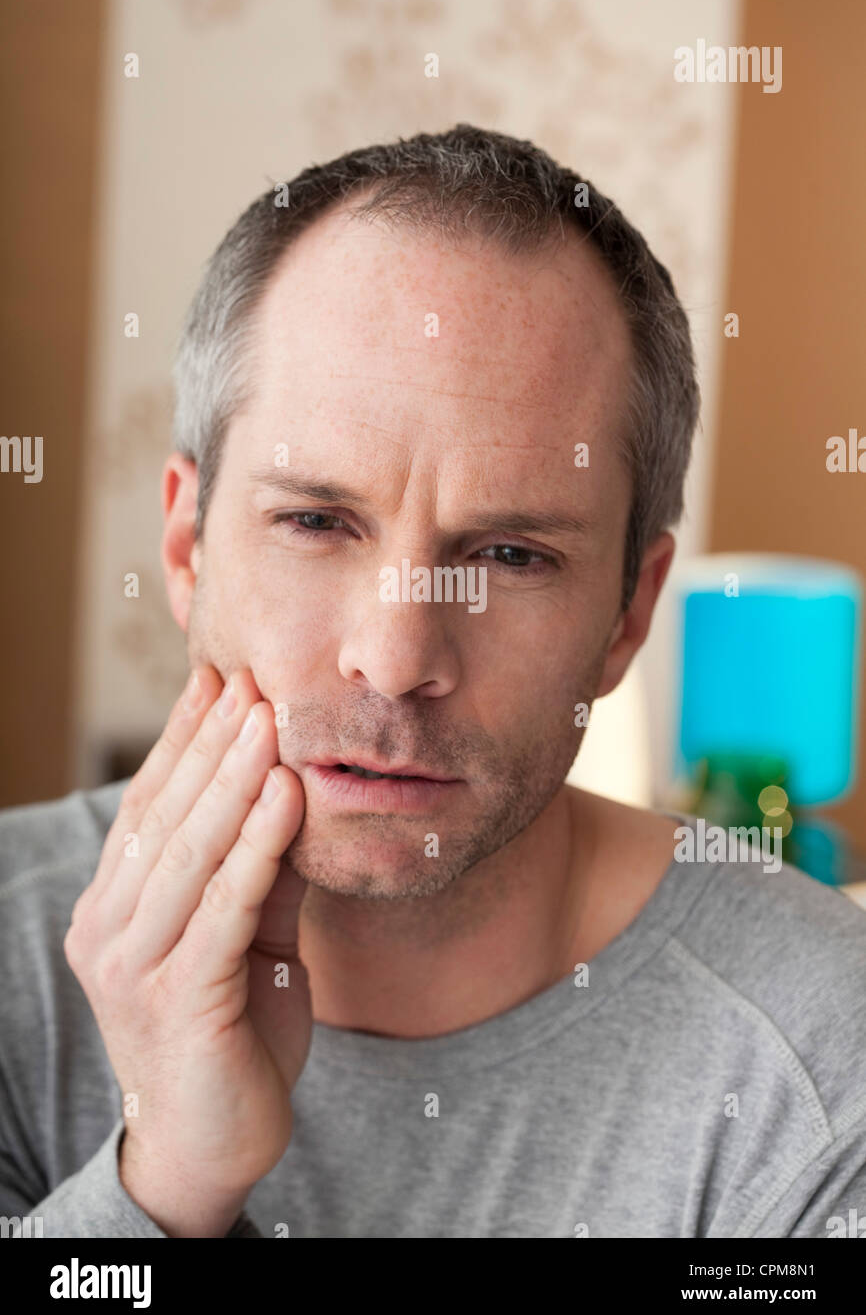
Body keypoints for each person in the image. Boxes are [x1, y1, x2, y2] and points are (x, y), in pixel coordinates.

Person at [2, 125, 865, 1240]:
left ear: (626, 614)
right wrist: (162, 1181)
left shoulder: (821, 1061)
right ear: (185, 546)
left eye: (509, 556)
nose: (398, 658)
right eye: (315, 521)